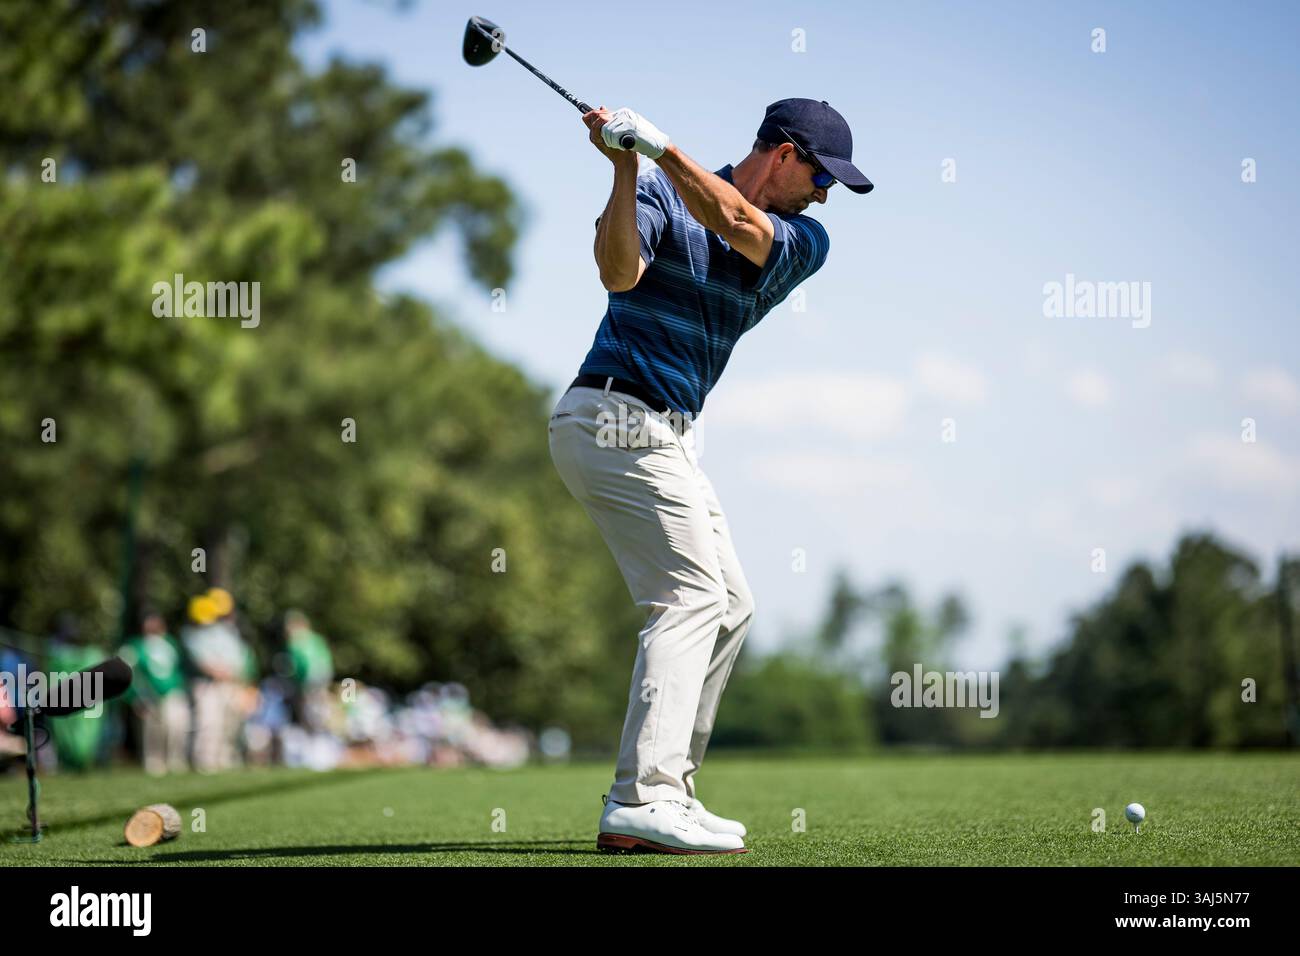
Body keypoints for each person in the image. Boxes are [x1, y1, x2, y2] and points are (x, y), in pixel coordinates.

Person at [548, 98, 872, 854]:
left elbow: (735, 222)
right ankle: (642, 797)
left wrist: (659, 149)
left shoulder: (802, 239)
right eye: (822, 176)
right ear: (785, 154)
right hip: (611, 416)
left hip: (667, 434)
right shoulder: (662, 190)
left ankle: (671, 793)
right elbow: (618, 271)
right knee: (690, 596)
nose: (825, 196)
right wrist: (627, 167)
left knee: (730, 606)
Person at [118, 610, 191, 775]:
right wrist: (135, 697)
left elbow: (178, 669)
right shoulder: (134, 646)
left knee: (176, 728)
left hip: (172, 692)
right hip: (148, 695)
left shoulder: (170, 644)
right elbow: (128, 673)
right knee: (152, 732)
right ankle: (154, 764)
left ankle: (176, 760)